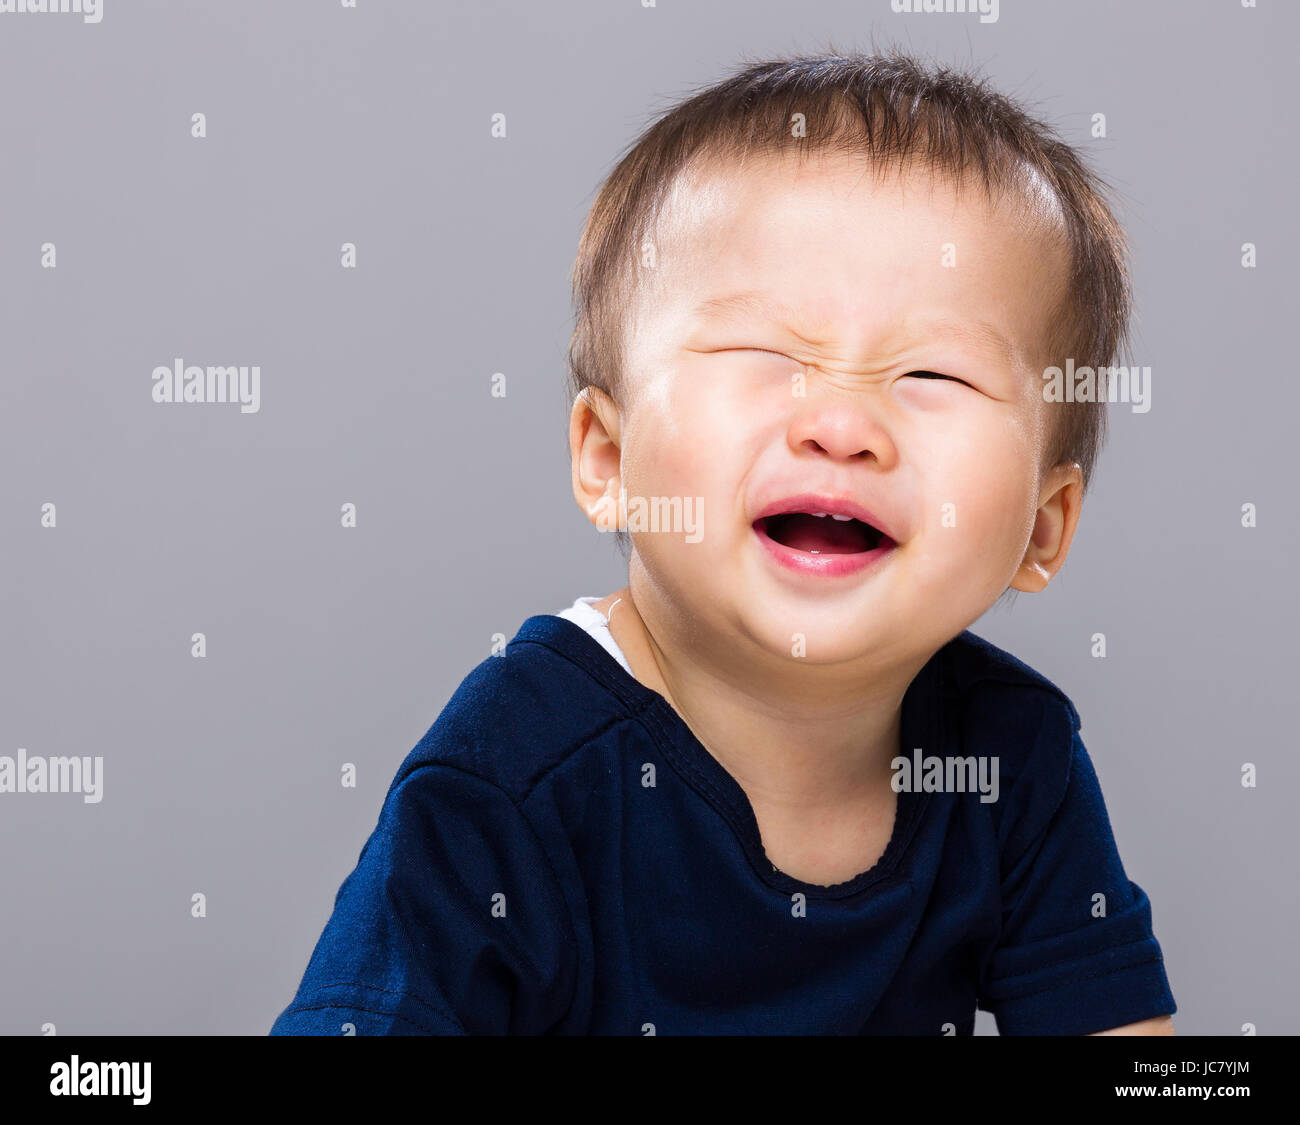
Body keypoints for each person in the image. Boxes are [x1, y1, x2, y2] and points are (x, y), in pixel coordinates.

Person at [270, 49, 1176, 1036]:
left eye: (934, 376)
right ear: (607, 460)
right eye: (762, 356)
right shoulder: (516, 772)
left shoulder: (1005, 755)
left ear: (1041, 531)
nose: (839, 424)